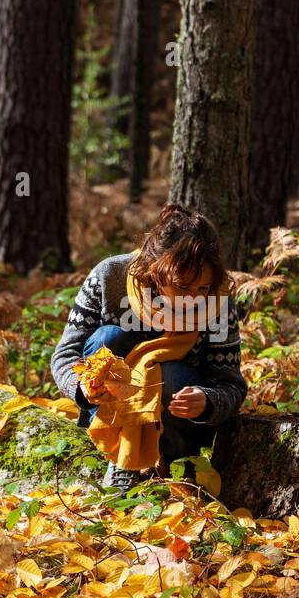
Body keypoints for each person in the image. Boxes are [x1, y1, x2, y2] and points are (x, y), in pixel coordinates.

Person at [50, 204, 247, 491]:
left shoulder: (218, 302)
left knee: (165, 372)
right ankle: (119, 458)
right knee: (108, 339)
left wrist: (207, 401)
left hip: (176, 420)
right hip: (110, 415)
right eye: (181, 286)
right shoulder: (110, 277)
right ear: (156, 272)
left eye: (201, 289)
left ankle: (170, 465)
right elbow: (66, 354)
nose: (193, 300)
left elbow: (231, 385)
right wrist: (82, 387)